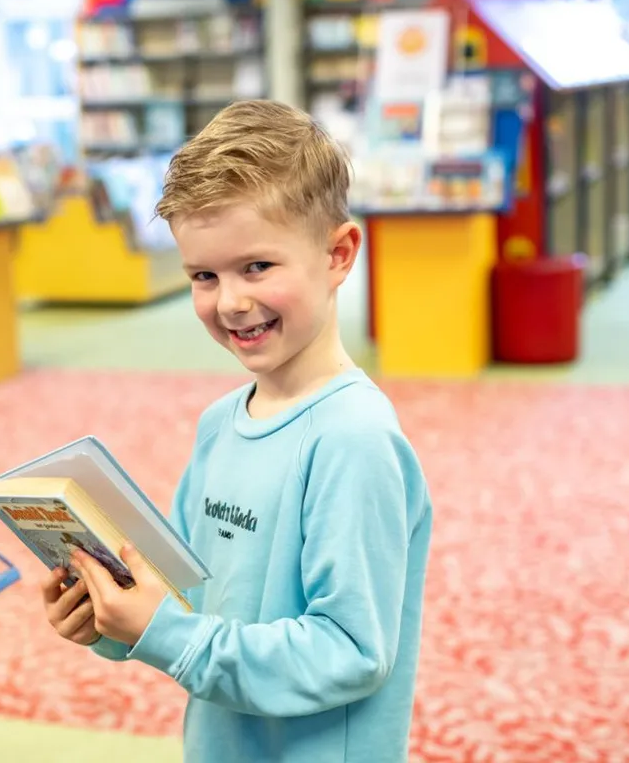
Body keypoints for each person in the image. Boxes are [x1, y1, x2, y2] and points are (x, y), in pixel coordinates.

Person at [39, 100, 433, 762]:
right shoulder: (221, 424)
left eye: (257, 267)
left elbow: (352, 651)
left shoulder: (354, 440)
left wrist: (168, 637)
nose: (231, 302)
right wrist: (108, 617)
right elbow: (185, 594)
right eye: (204, 276)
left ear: (338, 255)